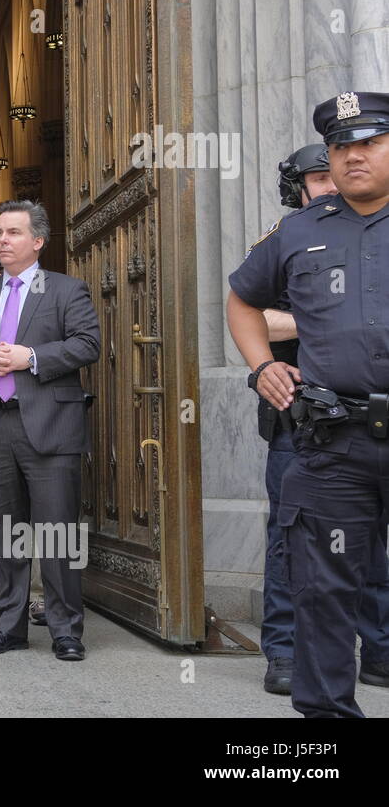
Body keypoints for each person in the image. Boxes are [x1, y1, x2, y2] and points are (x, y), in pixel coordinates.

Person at [227, 91, 389, 717]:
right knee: (321, 590)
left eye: (368, 142)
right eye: (340, 148)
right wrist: (263, 366)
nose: (352, 157)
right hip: (334, 443)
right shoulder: (297, 232)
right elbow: (241, 300)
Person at [0, 200, 100, 661]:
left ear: (37, 241)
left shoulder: (67, 290)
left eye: (13, 232)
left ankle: (65, 628)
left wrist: (29, 358)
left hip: (50, 426)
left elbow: (88, 344)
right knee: (6, 533)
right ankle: (8, 625)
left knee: (57, 533)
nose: (1, 240)